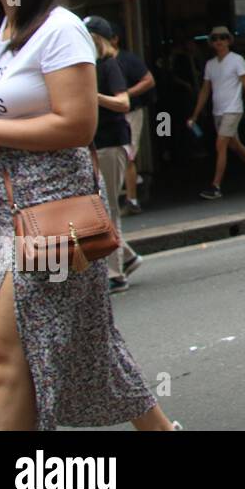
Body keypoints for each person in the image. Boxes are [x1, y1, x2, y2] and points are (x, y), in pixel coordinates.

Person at [0, 0, 175, 430]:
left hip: (51, 210)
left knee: (0, 356)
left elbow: (76, 125)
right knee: (82, 340)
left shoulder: (60, 28)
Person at [83, 16, 141, 293]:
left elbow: (123, 102)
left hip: (111, 140)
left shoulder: (109, 65)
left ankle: (115, 273)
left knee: (108, 208)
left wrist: (92, 96)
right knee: (97, 207)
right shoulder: (87, 66)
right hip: (93, 143)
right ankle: (126, 256)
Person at [186, 27, 245, 200]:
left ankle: (216, 185)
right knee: (235, 145)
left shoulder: (237, 60)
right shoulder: (210, 64)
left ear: (228, 41)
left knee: (221, 144)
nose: (219, 41)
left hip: (233, 109)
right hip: (218, 110)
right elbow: (205, 90)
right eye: (216, 38)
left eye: (223, 37)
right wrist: (195, 114)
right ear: (212, 42)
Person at [111, 29, 154, 215]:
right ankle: (134, 186)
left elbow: (149, 80)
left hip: (130, 112)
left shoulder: (127, 59)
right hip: (110, 114)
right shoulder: (98, 61)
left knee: (127, 154)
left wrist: (126, 95)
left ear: (115, 39)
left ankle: (132, 199)